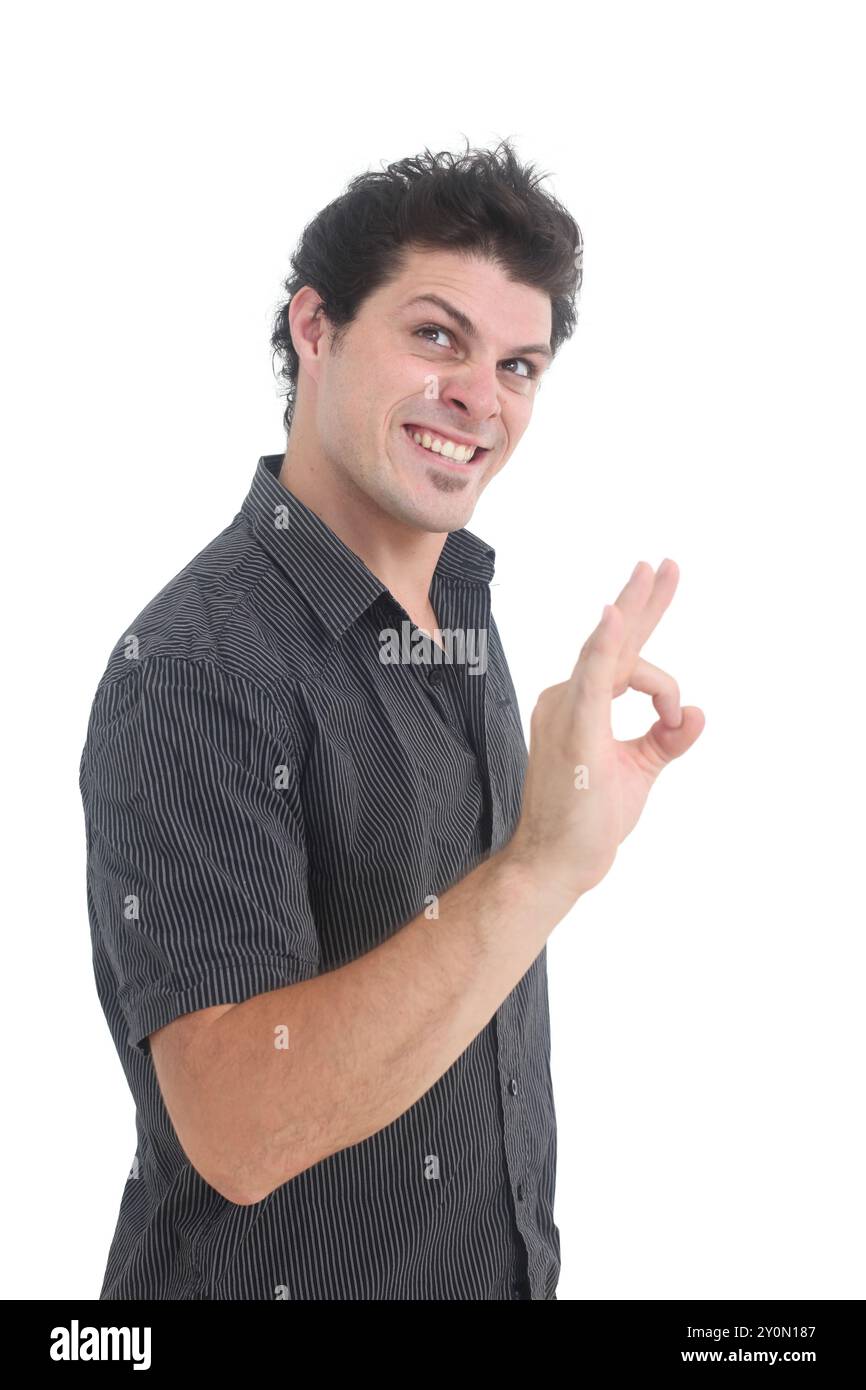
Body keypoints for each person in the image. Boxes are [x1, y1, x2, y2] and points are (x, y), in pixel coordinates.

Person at [79, 139, 704, 1301]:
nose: (479, 395)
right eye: (435, 336)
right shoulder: (194, 668)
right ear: (314, 327)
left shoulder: (457, 607)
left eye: (517, 364)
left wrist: (553, 845)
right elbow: (238, 1130)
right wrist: (534, 872)